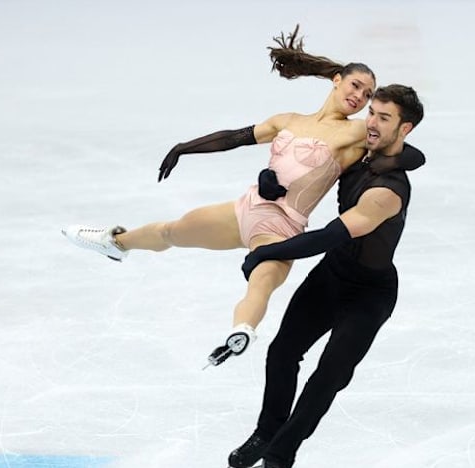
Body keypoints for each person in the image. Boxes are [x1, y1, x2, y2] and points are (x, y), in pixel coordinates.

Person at [62, 27, 423, 366]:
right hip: (246, 209)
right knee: (172, 231)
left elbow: (409, 153)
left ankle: (241, 332)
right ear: (336, 80)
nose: (359, 98)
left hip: (282, 226)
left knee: (262, 281)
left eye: (366, 95)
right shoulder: (288, 119)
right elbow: (236, 137)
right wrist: (184, 147)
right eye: (356, 86)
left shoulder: (358, 132)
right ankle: (115, 242)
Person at [227, 84, 425, 468]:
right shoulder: (359, 156)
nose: (372, 123)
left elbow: (332, 233)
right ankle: (266, 433)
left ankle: (280, 455)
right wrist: (270, 175)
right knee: (282, 351)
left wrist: (268, 252)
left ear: (405, 129)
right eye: (372, 113)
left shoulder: (389, 191)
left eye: (385, 118)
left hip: (370, 293)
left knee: (329, 375)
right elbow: (305, 159)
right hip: (332, 274)